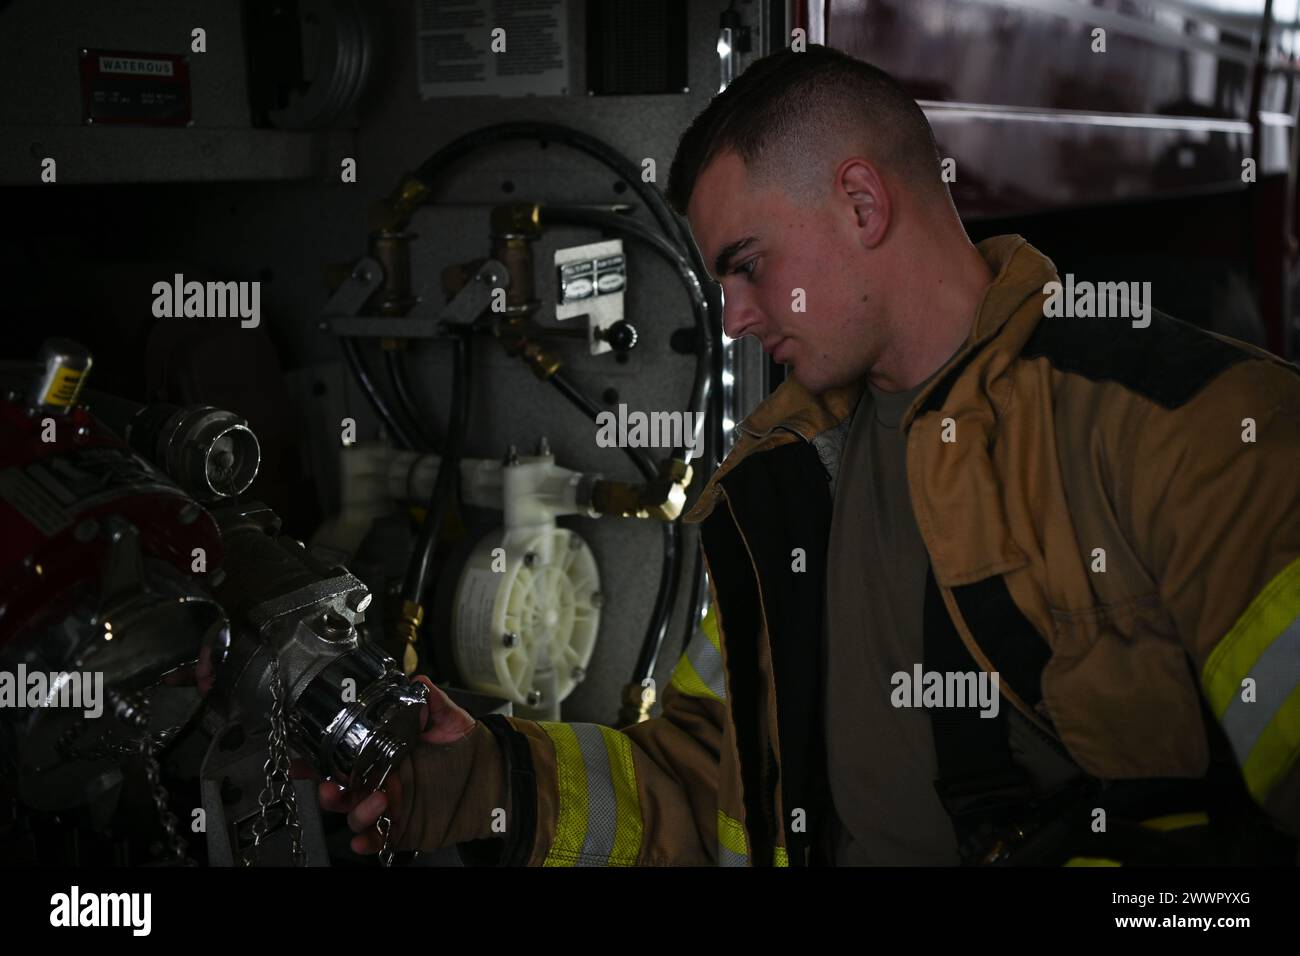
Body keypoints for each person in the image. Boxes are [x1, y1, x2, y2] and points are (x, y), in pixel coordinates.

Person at [320, 44, 1300, 866]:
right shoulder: (776, 482)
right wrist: (488, 781)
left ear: (862, 204)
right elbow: (708, 779)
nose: (735, 317)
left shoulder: (1193, 423)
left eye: (747, 265)